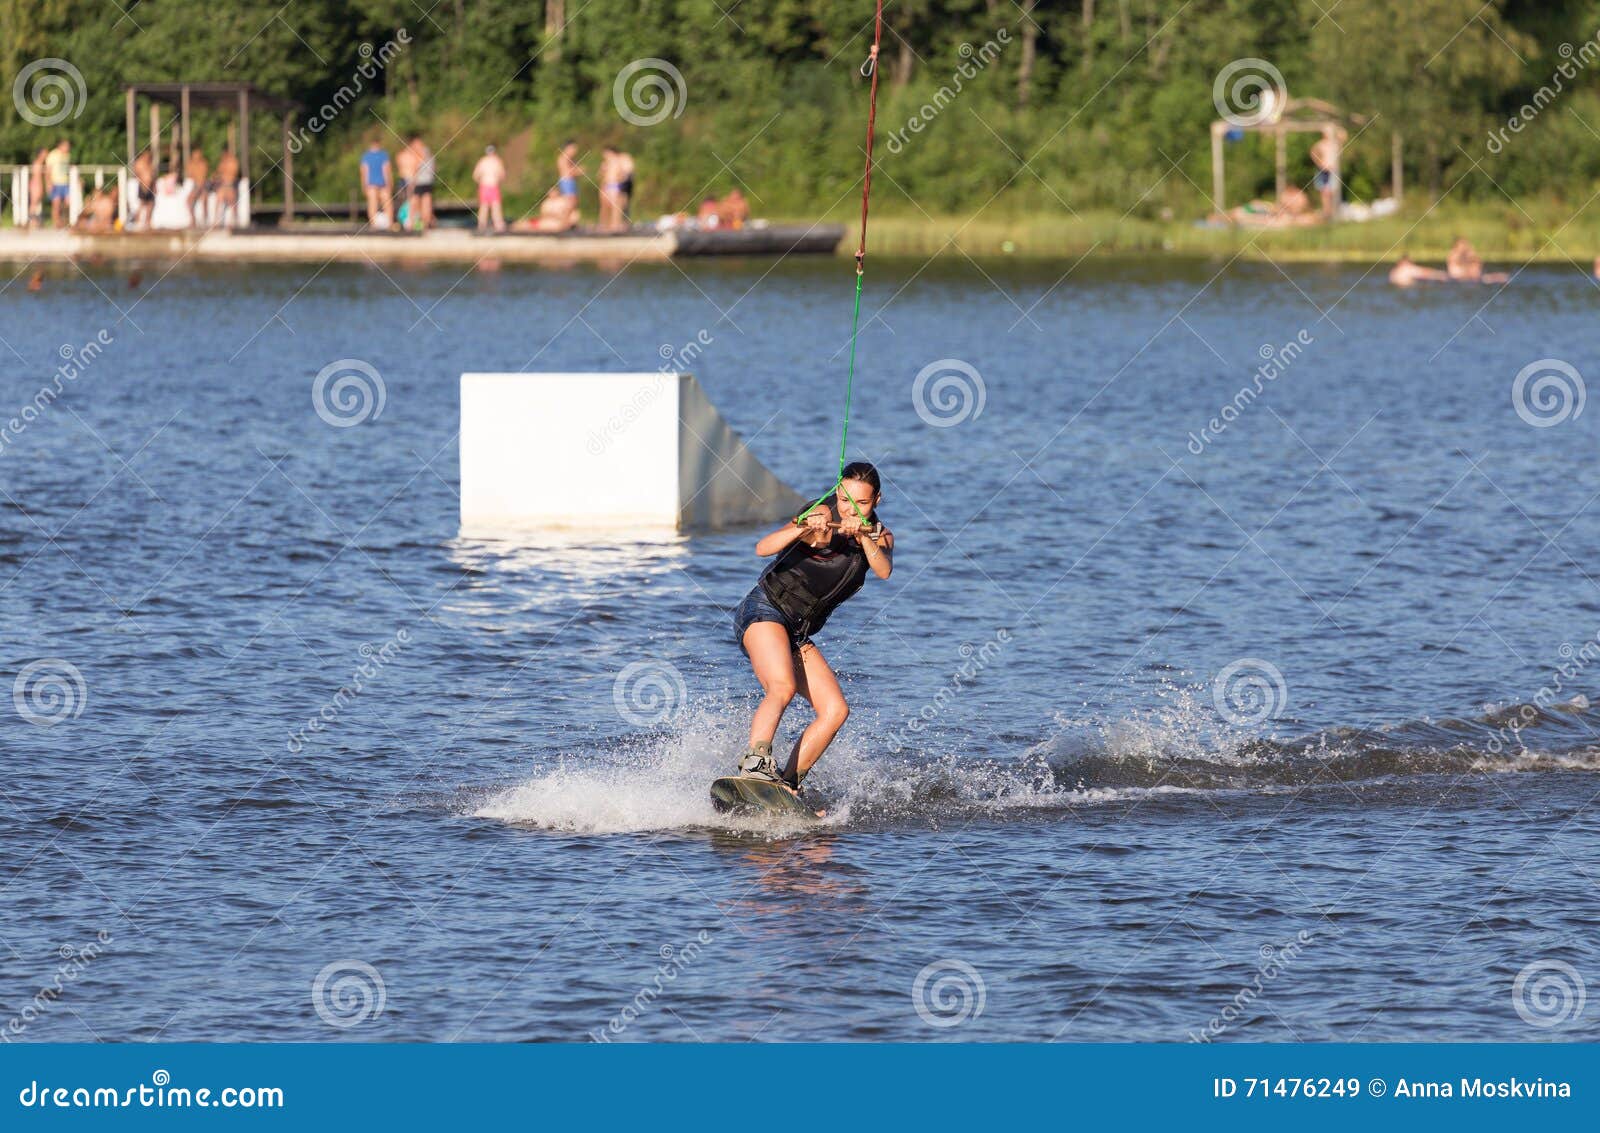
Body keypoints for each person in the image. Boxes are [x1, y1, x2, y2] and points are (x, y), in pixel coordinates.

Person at [731, 463, 894, 802]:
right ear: (837, 492)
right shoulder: (820, 512)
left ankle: (786, 786)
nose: (851, 508)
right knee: (782, 686)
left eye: (862, 503)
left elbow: (883, 569)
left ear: (877, 499)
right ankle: (754, 764)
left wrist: (864, 535)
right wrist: (804, 527)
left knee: (835, 710)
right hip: (764, 610)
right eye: (846, 500)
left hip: (796, 631)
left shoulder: (880, 534)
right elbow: (764, 547)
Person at [1309, 125, 1345, 221]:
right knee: (1324, 192)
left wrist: (1336, 128)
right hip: (1323, 170)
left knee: (1333, 191)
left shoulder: (1335, 144)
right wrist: (1320, 163)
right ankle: (1327, 213)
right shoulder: (1321, 144)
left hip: (1333, 170)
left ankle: (1333, 212)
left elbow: (1343, 135)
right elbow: (1312, 152)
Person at [599, 146, 634, 231]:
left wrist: (621, 179)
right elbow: (600, 175)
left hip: (614, 185)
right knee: (605, 207)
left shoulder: (619, 161)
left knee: (616, 207)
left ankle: (615, 225)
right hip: (607, 186)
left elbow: (624, 173)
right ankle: (605, 225)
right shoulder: (606, 163)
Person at [473, 144, 507, 233]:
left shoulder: (482, 161)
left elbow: (475, 176)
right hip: (493, 186)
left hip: (484, 186)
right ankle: (498, 226)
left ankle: (481, 226)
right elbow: (502, 175)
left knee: (484, 207)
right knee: (495, 207)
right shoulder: (497, 161)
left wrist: (482, 181)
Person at [360, 140, 392, 225]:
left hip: (371, 184)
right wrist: (389, 184)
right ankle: (390, 223)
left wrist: (364, 186)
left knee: (372, 205)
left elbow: (364, 172)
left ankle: (373, 224)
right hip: (383, 183)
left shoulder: (366, 156)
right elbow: (386, 171)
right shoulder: (383, 155)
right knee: (387, 204)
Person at [407, 135, 435, 230]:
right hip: (428, 181)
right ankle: (426, 225)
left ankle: (411, 224)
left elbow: (415, 168)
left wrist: (412, 183)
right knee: (427, 203)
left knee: (414, 203)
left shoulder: (419, 153)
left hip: (419, 182)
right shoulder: (429, 153)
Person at [45, 139, 72, 228]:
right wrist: (48, 183)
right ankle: (56, 223)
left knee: (68, 203)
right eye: (66, 146)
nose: (68, 148)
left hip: (65, 183)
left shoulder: (67, 155)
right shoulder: (53, 155)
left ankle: (65, 221)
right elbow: (48, 170)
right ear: (61, 146)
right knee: (56, 204)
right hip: (55, 183)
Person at [215, 146, 240, 228]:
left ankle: (234, 221)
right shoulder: (223, 162)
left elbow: (233, 173)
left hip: (230, 185)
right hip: (223, 185)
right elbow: (219, 173)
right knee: (218, 202)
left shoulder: (233, 162)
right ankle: (217, 221)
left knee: (232, 203)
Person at [186, 146, 211, 227]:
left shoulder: (203, 164)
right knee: (189, 201)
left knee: (204, 199)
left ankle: (205, 219)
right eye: (194, 155)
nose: (196, 156)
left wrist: (199, 188)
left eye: (197, 154)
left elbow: (203, 178)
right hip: (196, 185)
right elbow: (190, 175)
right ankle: (193, 219)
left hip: (203, 184)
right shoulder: (191, 163)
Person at [132, 149, 155, 229]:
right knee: (142, 204)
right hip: (143, 186)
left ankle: (148, 222)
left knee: (150, 205)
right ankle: (137, 222)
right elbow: (136, 174)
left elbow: (152, 175)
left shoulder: (149, 163)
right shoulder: (139, 163)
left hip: (150, 186)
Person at [28, 147, 49, 227]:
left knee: (36, 204)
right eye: (45, 153)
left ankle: (36, 221)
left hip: (38, 185)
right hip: (36, 185)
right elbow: (36, 177)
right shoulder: (37, 163)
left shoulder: (42, 163)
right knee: (34, 203)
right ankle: (32, 222)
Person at [557, 141, 582, 205]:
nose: (575, 151)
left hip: (570, 181)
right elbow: (568, 172)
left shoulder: (569, 158)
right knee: (570, 203)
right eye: (573, 148)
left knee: (573, 202)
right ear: (568, 147)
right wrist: (579, 171)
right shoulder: (564, 158)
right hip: (567, 182)